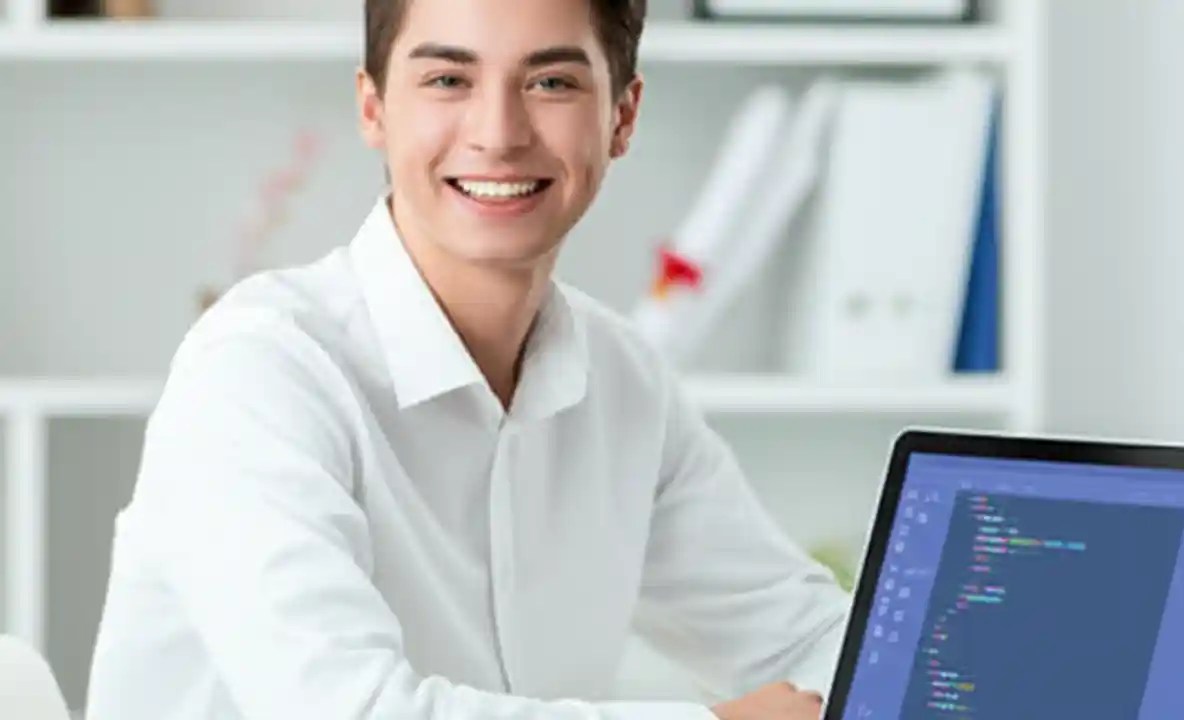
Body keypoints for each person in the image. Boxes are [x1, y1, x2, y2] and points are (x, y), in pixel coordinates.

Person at [84, 0, 851, 717]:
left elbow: (812, 639)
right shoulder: (256, 372)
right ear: (374, 107)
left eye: (551, 81)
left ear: (622, 116)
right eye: (448, 79)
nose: (498, 131)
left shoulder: (624, 380)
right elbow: (349, 711)